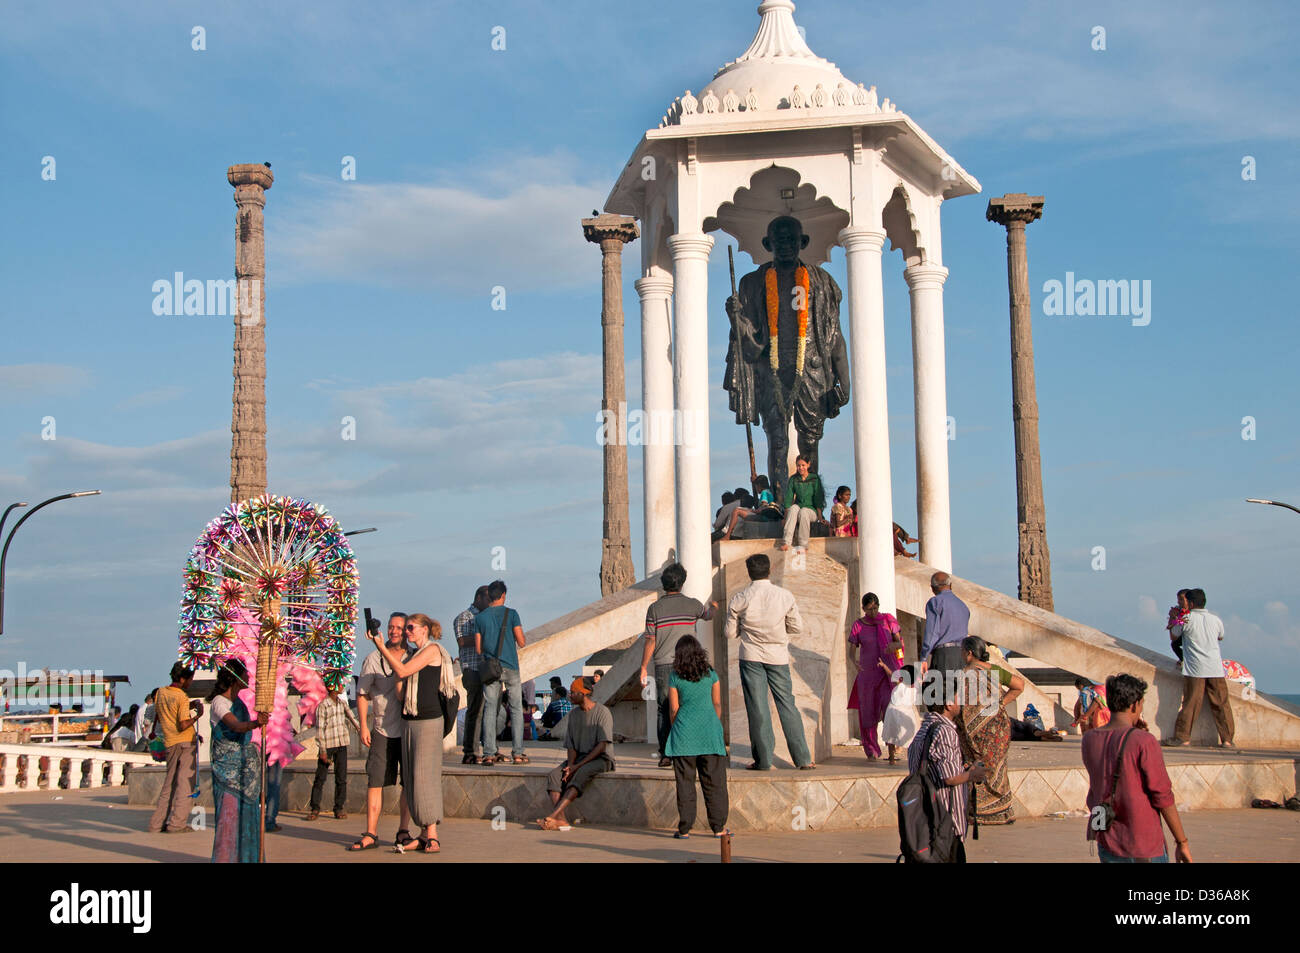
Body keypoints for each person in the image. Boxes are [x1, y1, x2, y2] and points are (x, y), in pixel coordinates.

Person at [723, 214, 851, 503]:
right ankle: (780, 504)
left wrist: (845, 381)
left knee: (809, 441)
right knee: (777, 441)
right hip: (772, 370)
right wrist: (736, 318)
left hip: (812, 370)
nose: (785, 246)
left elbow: (834, 337)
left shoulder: (821, 282)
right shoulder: (753, 283)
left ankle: (811, 506)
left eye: (791, 240)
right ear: (768, 243)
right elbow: (750, 345)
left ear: (802, 242)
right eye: (778, 240)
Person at [1083, 674, 1192, 863]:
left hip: (1107, 840)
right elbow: (1162, 796)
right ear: (1135, 705)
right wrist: (1182, 842)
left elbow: (1095, 788)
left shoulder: (1089, 739)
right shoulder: (1143, 741)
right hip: (1143, 845)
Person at [368, 613, 451, 853]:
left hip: (428, 721)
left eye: (411, 628)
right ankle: (424, 835)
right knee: (413, 779)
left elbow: (404, 672)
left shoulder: (433, 650)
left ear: (425, 629)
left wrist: (381, 647)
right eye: (406, 629)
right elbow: (400, 692)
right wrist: (395, 667)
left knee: (425, 777)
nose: (408, 632)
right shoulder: (413, 655)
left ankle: (433, 835)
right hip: (411, 720)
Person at [725, 553, 815, 770]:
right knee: (787, 705)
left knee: (757, 708)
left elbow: (729, 633)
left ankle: (763, 761)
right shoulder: (784, 596)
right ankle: (802, 759)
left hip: (751, 655)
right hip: (778, 656)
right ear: (769, 570)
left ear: (749, 572)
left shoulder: (740, 598)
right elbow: (797, 627)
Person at [639, 562, 717, 767]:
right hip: (690, 663)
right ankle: (692, 747)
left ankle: (666, 754)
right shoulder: (693, 605)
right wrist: (714, 608)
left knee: (664, 708)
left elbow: (650, 640)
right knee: (689, 705)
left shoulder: (654, 609)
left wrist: (643, 666)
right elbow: (707, 616)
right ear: (682, 583)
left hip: (664, 663)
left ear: (664, 585)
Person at [907, 672, 987, 862]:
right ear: (949, 703)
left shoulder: (923, 730)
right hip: (945, 823)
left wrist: (965, 767)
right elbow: (950, 778)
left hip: (926, 821)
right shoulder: (945, 731)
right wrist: (973, 774)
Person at [354, 611, 413, 851]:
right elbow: (361, 694)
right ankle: (371, 832)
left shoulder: (413, 657)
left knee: (407, 783)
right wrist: (363, 726)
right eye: (391, 627)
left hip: (408, 729)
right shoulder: (373, 659)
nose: (395, 631)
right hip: (381, 728)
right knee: (375, 780)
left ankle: (403, 830)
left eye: (400, 627)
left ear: (407, 631)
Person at [665, 635, 729, 838]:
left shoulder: (675, 676)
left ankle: (684, 829)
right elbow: (717, 704)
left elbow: (673, 708)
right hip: (710, 733)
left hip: (684, 735)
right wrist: (712, 723)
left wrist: (679, 728)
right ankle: (718, 828)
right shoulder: (711, 674)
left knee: (685, 784)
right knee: (715, 784)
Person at [954, 635, 1022, 826]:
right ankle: (1003, 812)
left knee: (974, 766)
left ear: (969, 653)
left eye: (962, 651)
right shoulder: (996, 671)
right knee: (998, 767)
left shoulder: (963, 674)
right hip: (998, 729)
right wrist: (1000, 703)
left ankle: (980, 813)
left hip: (973, 732)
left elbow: (957, 703)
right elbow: (1019, 686)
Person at [207, 659, 268, 863]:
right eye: (244, 674)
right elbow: (234, 726)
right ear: (234, 678)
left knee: (247, 817)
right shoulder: (219, 702)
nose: (248, 678)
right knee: (229, 819)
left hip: (244, 771)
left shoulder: (240, 703)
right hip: (227, 772)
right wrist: (254, 724)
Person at [538, 677, 615, 830]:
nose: (570, 695)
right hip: (579, 758)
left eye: (573, 693)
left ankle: (553, 815)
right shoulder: (573, 715)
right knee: (554, 775)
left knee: (581, 772)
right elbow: (571, 745)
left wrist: (577, 766)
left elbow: (602, 745)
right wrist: (571, 766)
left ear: (584, 693)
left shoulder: (602, 712)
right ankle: (561, 819)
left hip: (601, 758)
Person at [1166, 588, 1235, 748]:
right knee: (1221, 704)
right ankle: (1227, 740)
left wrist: (1174, 619)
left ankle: (1182, 738)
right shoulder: (1216, 620)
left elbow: (1174, 636)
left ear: (1190, 603)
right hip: (1215, 668)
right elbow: (1220, 636)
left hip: (1195, 669)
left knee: (1190, 703)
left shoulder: (1186, 619)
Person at [472, 579, 528, 765]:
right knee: (516, 709)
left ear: (489, 596)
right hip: (511, 666)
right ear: (503, 595)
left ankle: (489, 752)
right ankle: (518, 753)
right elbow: (521, 641)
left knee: (490, 709)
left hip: (491, 669)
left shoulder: (479, 618)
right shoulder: (512, 614)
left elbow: (479, 649)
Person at [148, 662, 203, 834]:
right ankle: (177, 824)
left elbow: (167, 714)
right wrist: (197, 716)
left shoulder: (161, 693)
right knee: (185, 784)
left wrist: (189, 706)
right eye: (190, 679)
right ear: (182, 678)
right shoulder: (181, 696)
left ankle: (156, 824)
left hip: (170, 742)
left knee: (169, 784)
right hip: (185, 742)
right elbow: (182, 724)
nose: (191, 682)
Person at [847, 592, 903, 761]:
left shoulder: (888, 620)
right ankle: (871, 750)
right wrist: (854, 663)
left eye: (875, 608)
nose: (872, 612)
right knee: (868, 712)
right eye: (869, 609)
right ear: (863, 608)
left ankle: (892, 751)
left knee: (889, 710)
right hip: (867, 675)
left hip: (886, 673)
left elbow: (899, 642)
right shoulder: (858, 625)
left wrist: (890, 647)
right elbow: (851, 651)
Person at [306, 684, 359, 821]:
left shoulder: (341, 704)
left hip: (342, 744)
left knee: (341, 778)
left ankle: (339, 807)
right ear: (333, 687)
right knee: (320, 778)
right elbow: (320, 730)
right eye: (340, 684)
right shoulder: (323, 706)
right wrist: (323, 751)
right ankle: (315, 808)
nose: (342, 686)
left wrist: (361, 729)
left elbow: (352, 718)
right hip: (328, 745)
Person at [454, 587, 491, 764]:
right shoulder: (464, 617)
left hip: (487, 668)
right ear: (478, 598)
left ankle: (489, 749)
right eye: (488, 599)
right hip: (472, 668)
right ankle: (470, 751)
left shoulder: (489, 616)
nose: (490, 603)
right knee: (474, 711)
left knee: (490, 711)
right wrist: (483, 635)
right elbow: (462, 641)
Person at [920, 572, 970, 682]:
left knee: (940, 695)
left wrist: (924, 657)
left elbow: (932, 632)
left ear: (933, 588)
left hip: (944, 656)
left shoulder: (935, 602)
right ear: (950, 585)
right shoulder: (963, 606)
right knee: (958, 695)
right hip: (962, 655)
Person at [780, 455, 827, 550]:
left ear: (808, 465)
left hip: (811, 512)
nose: (800, 468)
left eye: (803, 465)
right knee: (793, 508)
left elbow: (818, 498)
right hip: (798, 510)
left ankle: (803, 545)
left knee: (804, 511)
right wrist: (785, 518)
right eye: (798, 465)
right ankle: (786, 542)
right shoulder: (793, 479)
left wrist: (820, 517)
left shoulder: (814, 479)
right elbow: (789, 499)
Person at [881, 664, 921, 752]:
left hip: (893, 713)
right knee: (910, 736)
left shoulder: (900, 684)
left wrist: (884, 666)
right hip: (906, 714)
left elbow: (891, 674)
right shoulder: (913, 689)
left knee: (891, 736)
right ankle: (909, 754)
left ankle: (891, 758)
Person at [1167, 589, 1191, 662]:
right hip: (1181, 634)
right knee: (1174, 644)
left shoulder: (1190, 614)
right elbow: (1171, 629)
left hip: (1190, 636)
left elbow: (1173, 636)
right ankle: (1183, 660)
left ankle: (1187, 661)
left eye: (1181, 599)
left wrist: (1173, 622)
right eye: (1178, 599)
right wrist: (1172, 617)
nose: (1178, 602)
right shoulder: (1177, 609)